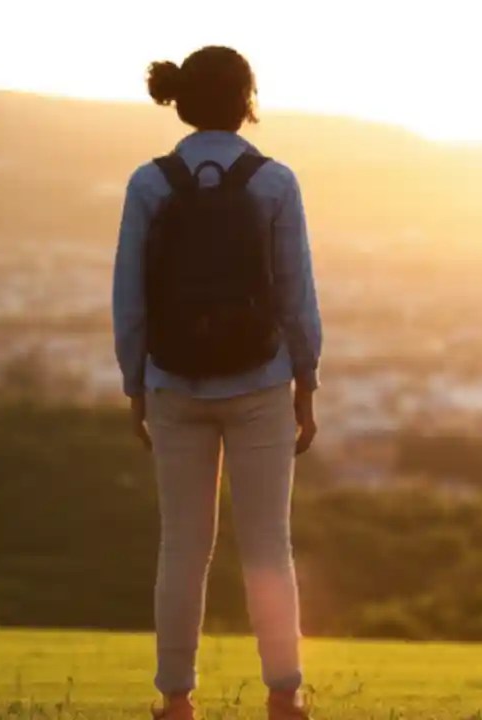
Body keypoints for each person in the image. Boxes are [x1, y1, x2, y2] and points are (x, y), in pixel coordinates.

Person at [112, 45, 322, 720]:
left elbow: (130, 299)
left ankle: (176, 699)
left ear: (181, 101)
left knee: (182, 544)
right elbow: (296, 296)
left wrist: (135, 386)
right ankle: (284, 693)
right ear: (245, 100)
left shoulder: (149, 183)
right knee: (268, 543)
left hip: (173, 382)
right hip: (260, 381)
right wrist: (306, 384)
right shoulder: (275, 182)